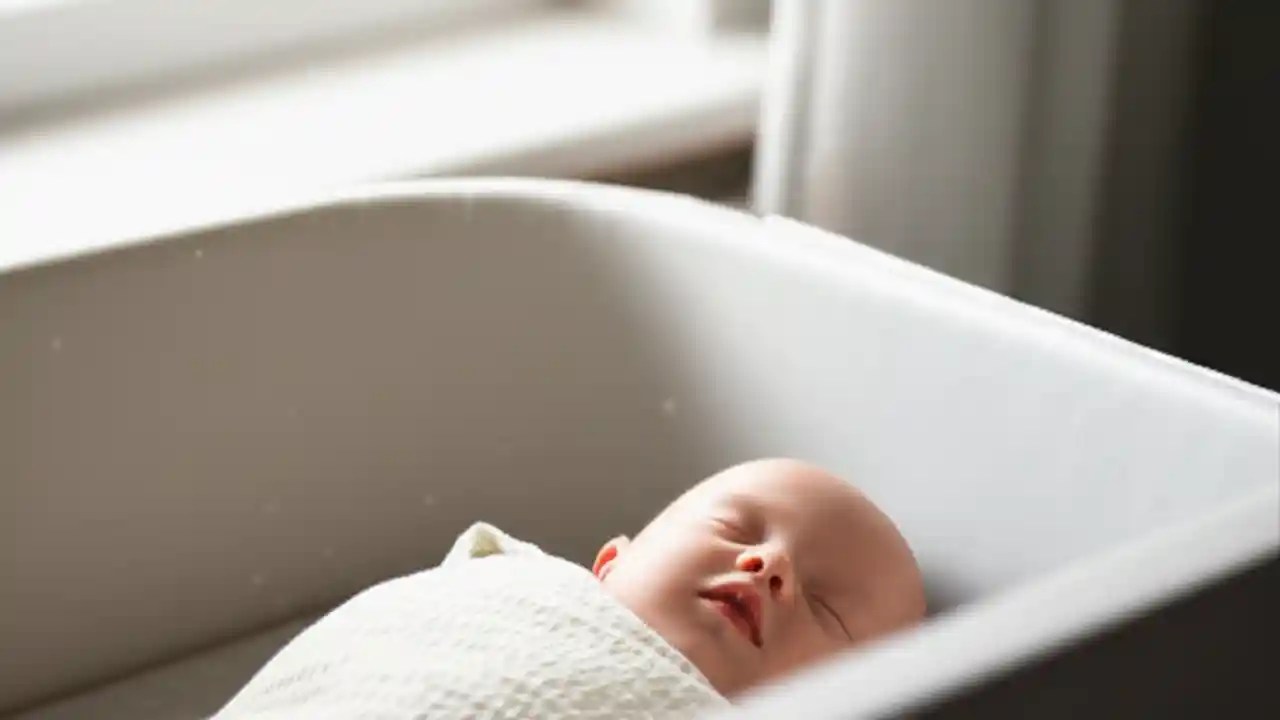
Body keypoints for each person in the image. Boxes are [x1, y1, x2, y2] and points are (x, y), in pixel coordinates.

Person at [212, 459, 925, 719]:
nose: (771, 568)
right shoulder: (508, 588)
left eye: (829, 610)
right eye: (737, 527)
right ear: (609, 563)